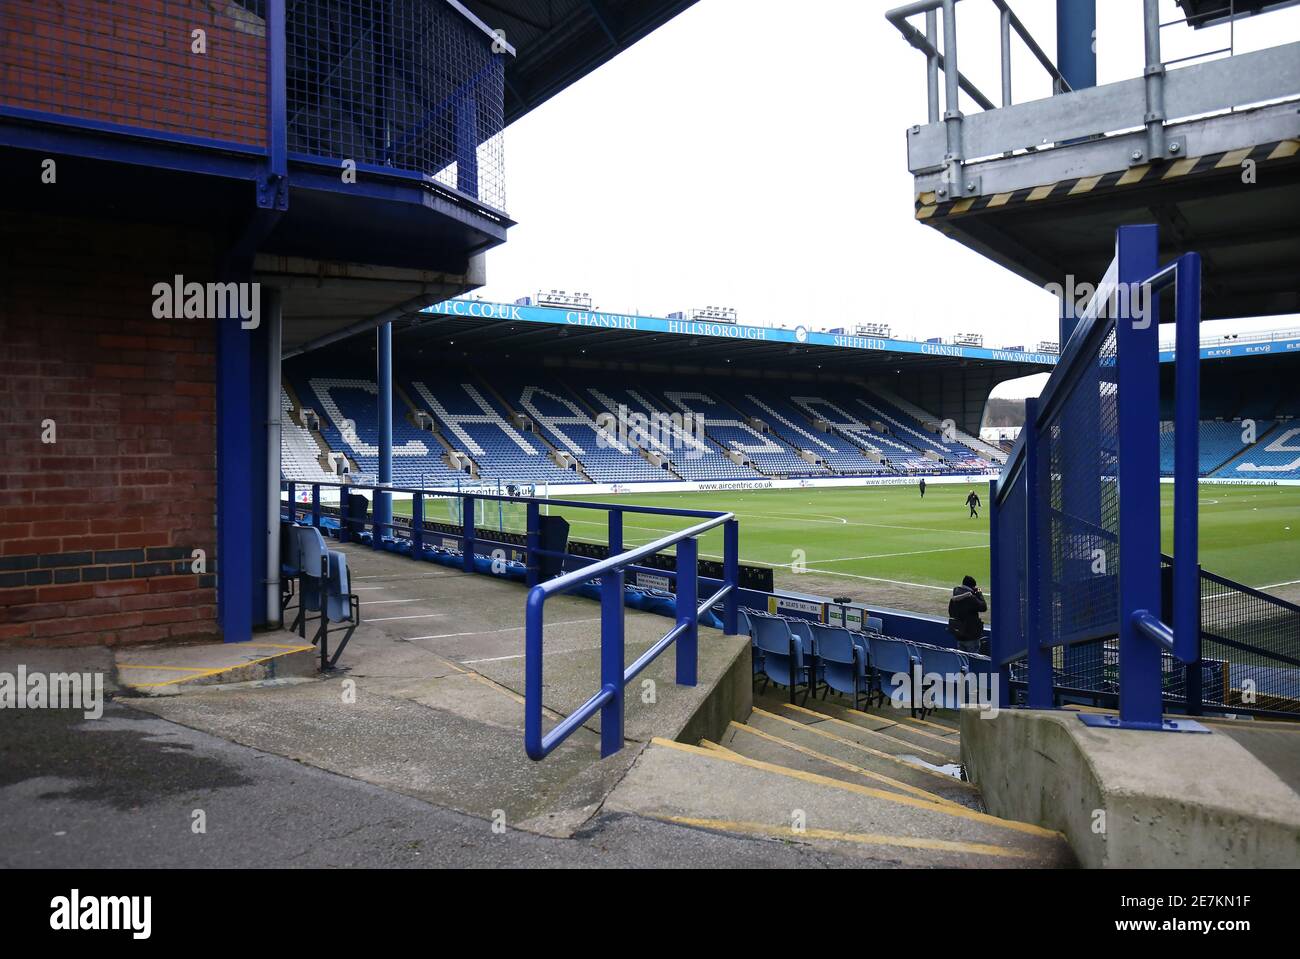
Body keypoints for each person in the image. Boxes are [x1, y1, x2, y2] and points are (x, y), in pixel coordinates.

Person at [947, 575, 987, 655]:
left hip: (959, 633)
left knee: (962, 658)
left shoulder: (955, 594)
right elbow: (983, 607)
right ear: (972, 586)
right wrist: (979, 593)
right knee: (973, 659)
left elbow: (950, 611)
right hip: (971, 635)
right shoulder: (971, 598)